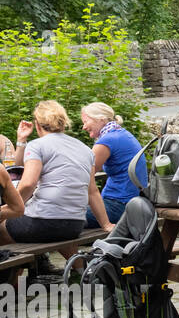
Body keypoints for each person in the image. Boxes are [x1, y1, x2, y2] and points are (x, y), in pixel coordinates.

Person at [1, 101, 110, 248]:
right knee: (52, 231)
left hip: (42, 222)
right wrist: (106, 224)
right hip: (75, 225)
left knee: (2, 225)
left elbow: (28, 184)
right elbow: (92, 191)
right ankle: (71, 264)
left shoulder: (37, 145)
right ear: (63, 123)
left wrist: (12, 208)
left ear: (37, 124)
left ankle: (19, 263)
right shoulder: (85, 148)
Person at [80, 102, 144, 226]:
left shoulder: (106, 141)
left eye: (86, 122)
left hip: (119, 205)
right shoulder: (121, 134)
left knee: (63, 215)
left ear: (100, 119)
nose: (84, 127)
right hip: (132, 202)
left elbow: (83, 174)